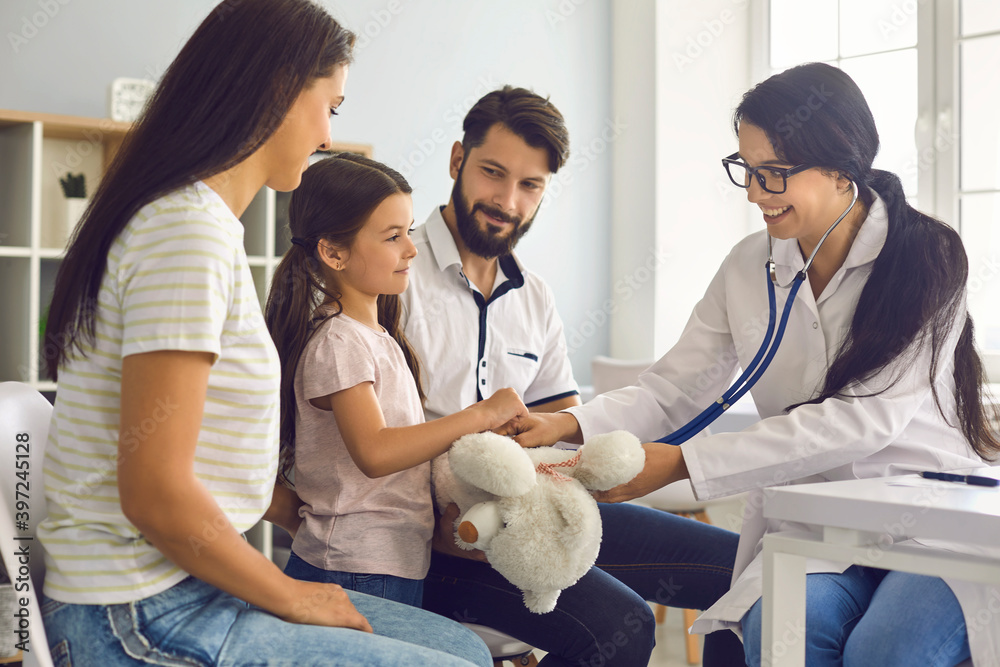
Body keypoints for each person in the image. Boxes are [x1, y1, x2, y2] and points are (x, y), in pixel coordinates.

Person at [37, 2, 491, 665]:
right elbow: (155, 492)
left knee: (466, 651)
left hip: (183, 588)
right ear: (279, 88)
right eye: (330, 106)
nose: (328, 135)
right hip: (133, 613)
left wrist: (288, 506)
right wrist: (290, 593)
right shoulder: (184, 233)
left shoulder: (200, 224)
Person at [507, 62, 1000, 667]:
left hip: (933, 516)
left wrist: (681, 464)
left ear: (841, 166)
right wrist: (570, 425)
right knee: (780, 633)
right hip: (819, 525)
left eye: (774, 175)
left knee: (886, 650)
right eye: (746, 170)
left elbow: (864, 421)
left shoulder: (929, 255)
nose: (753, 194)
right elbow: (672, 389)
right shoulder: (749, 266)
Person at [399, 85, 746, 666]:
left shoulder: (534, 296)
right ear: (457, 160)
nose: (507, 200)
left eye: (530, 185)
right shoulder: (395, 276)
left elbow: (563, 426)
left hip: (538, 515)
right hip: (439, 539)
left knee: (743, 570)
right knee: (624, 625)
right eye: (492, 173)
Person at [263, 153, 527, 608]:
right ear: (333, 252)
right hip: (355, 568)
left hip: (390, 562)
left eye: (408, 232)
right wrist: (479, 415)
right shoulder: (339, 340)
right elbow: (376, 451)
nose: (411, 249)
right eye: (392, 237)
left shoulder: (375, 335)